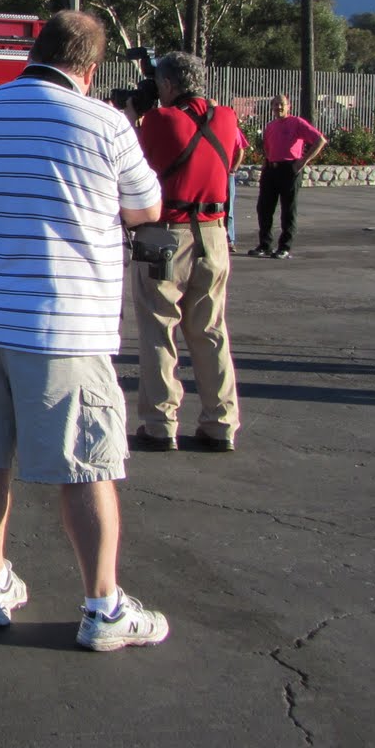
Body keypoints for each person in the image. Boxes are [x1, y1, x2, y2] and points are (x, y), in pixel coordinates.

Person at [0, 10, 168, 652]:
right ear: (89, 68)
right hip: (64, 324)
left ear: (37, 50)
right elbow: (146, 208)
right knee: (85, 466)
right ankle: (102, 607)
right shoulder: (106, 123)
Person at [131, 52, 243, 454]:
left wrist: (133, 115)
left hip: (165, 231)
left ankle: (160, 422)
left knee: (159, 326)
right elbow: (234, 158)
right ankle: (220, 421)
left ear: (168, 85)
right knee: (209, 328)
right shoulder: (226, 117)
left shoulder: (161, 121)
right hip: (212, 231)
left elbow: (134, 164)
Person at [251, 93, 327, 259]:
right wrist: (266, 165)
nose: (278, 107)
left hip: (289, 169)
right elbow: (268, 149)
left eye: (281, 104)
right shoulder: (271, 126)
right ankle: (265, 244)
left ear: (288, 106)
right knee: (264, 208)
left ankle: (285, 247)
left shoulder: (296, 123)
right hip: (271, 169)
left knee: (288, 209)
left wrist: (302, 161)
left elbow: (320, 140)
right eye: (275, 105)